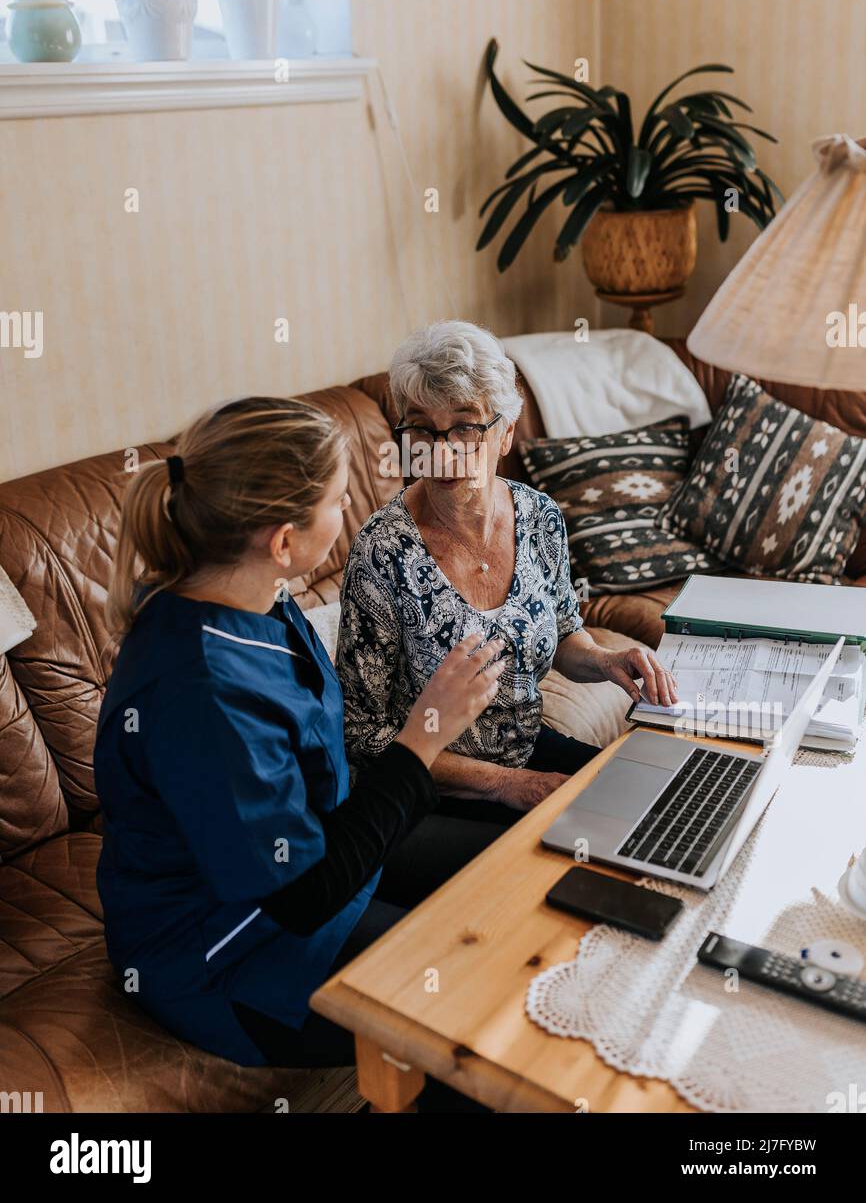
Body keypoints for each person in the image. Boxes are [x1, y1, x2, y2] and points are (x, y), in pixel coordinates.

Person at [94, 395, 505, 1105]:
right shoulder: (200, 691)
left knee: (514, 866)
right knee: (467, 1006)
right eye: (340, 500)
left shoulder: (258, 597)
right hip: (234, 949)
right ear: (283, 541)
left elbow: (319, 768)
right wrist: (424, 737)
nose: (351, 513)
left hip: (319, 847)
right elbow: (302, 896)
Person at [337, 321, 678, 826]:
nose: (442, 451)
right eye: (422, 429)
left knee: (656, 803)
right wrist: (505, 785)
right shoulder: (383, 552)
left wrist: (605, 660)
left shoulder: (538, 516)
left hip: (523, 746)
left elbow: (562, 632)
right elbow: (362, 735)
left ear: (505, 433)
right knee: (572, 857)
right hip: (433, 790)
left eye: (465, 426)